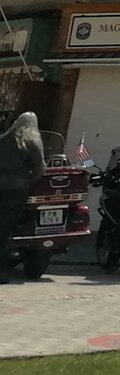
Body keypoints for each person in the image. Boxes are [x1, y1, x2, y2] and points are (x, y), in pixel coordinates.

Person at [0, 112, 46, 280]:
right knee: (5, 229)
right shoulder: (32, 141)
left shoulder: (4, 138)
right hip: (16, 189)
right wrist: (29, 180)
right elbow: (40, 168)